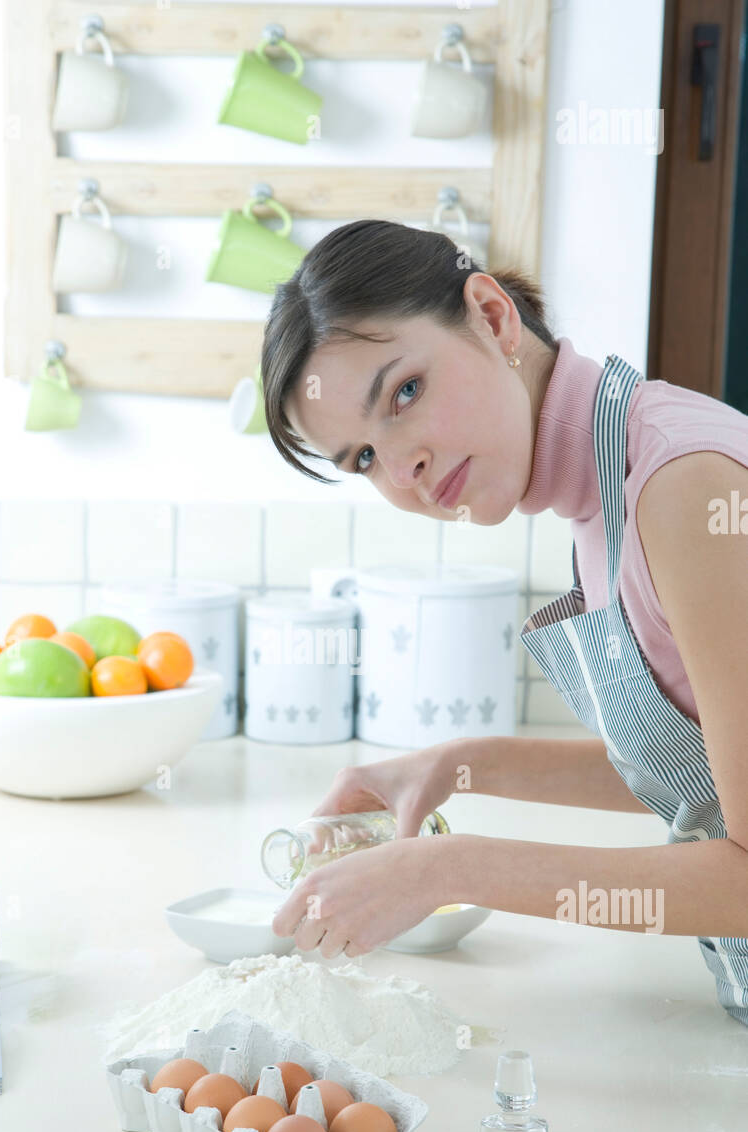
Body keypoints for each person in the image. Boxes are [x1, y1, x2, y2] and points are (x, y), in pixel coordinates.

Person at [260, 218, 748, 1028]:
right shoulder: (610, 484)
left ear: (491, 317)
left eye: (405, 391)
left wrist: (444, 870)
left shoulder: (686, 489)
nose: (403, 466)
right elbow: (704, 781)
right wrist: (457, 767)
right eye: (363, 459)